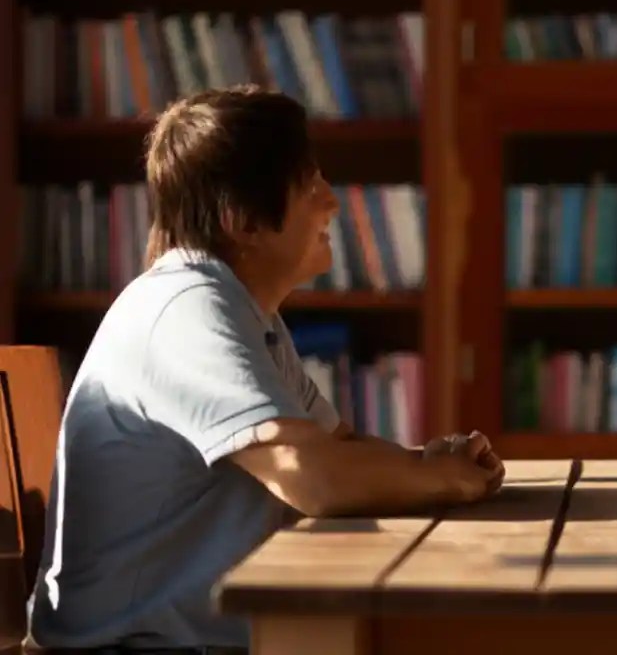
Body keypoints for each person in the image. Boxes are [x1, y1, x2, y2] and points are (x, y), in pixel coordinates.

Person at [26, 86, 505, 653]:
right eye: (309, 186)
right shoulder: (186, 307)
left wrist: (425, 461)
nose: (331, 202)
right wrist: (443, 480)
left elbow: (336, 446)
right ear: (241, 220)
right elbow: (312, 475)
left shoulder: (243, 308)